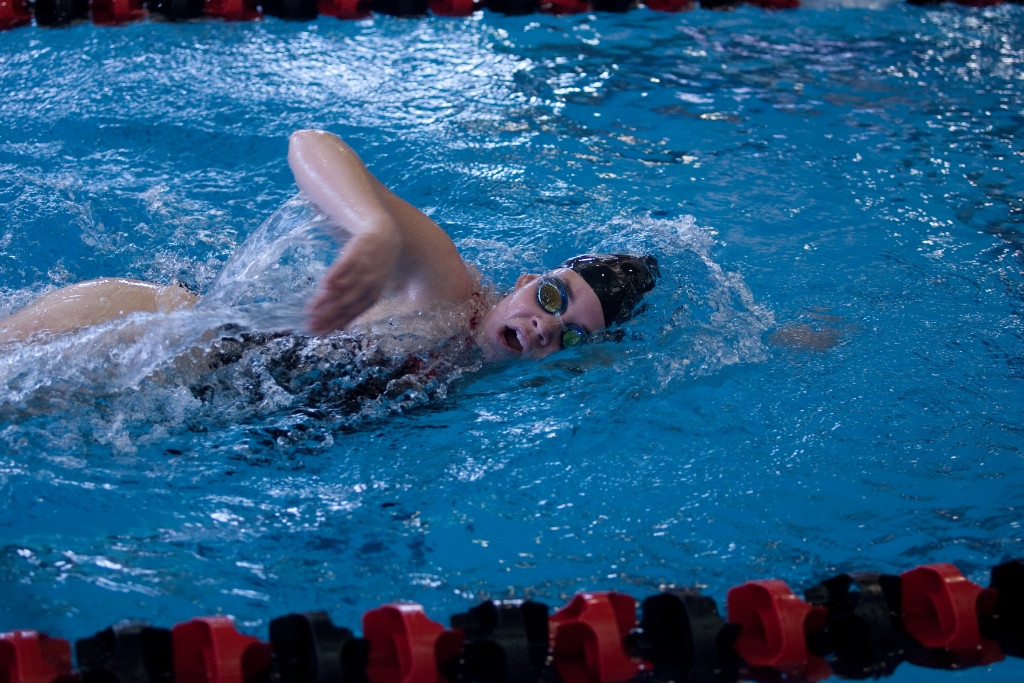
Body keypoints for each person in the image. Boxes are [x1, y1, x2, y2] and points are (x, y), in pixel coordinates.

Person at [0, 130, 658, 360]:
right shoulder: (445, 285)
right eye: (551, 296)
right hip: (149, 333)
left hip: (181, 406)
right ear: (522, 279)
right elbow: (310, 143)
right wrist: (372, 229)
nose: (544, 326)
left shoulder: (476, 369)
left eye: (569, 336)